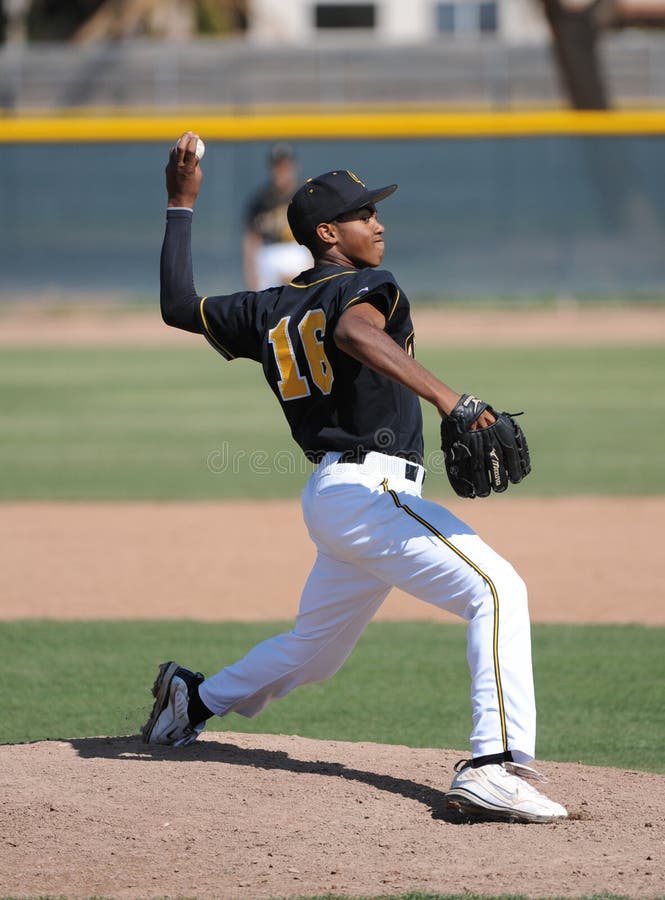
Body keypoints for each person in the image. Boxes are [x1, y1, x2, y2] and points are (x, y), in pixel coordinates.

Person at [143, 131, 568, 825]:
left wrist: (178, 204)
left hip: (335, 497)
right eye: (364, 215)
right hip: (372, 493)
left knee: (314, 651)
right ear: (328, 234)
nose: (378, 224)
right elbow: (353, 333)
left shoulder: (266, 307)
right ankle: (493, 765)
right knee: (497, 590)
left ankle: (194, 699)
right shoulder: (368, 285)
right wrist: (451, 400)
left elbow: (176, 305)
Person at [242, 142, 313, 290]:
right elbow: (252, 241)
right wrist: (251, 278)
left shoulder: (306, 196)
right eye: (278, 166)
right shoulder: (261, 201)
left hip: (298, 250)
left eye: (285, 166)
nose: (281, 171)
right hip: (270, 254)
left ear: (294, 167)